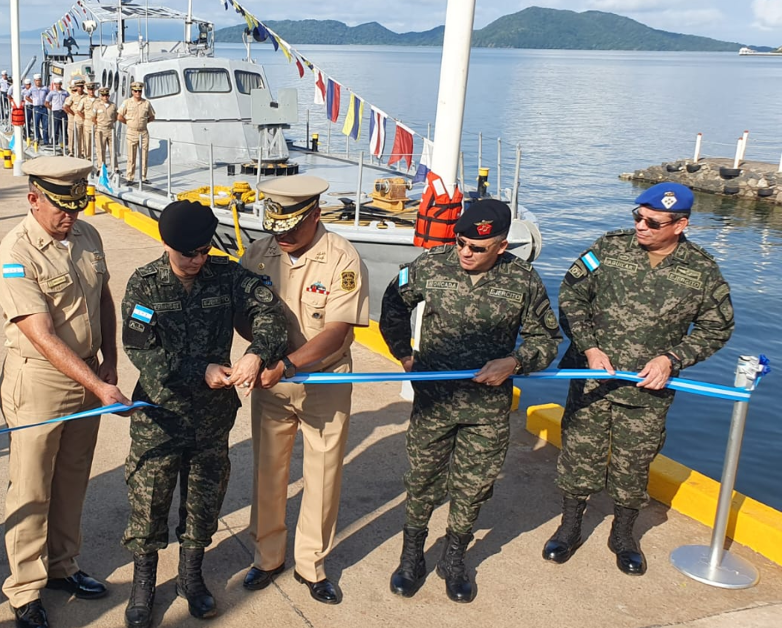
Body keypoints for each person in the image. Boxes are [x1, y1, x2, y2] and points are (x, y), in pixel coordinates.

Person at [545, 182, 734, 575]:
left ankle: (623, 534)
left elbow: (717, 327)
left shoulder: (701, 270)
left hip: (648, 391)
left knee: (634, 465)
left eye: (652, 221)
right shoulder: (610, 248)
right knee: (580, 456)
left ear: (680, 225)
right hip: (593, 379)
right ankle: (569, 527)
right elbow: (571, 294)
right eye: (638, 217)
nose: (641, 226)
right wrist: (590, 347)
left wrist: (672, 358)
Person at [381, 199, 561, 603]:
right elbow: (393, 303)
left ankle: (454, 557)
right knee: (423, 480)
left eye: (477, 248)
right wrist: (404, 352)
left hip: (486, 409)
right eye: (461, 242)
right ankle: (412, 555)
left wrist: (514, 361)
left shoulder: (523, 280)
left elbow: (547, 340)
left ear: (501, 246)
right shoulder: (430, 265)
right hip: (435, 402)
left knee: (473, 486)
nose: (465, 252)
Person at [121, 201, 287, 628]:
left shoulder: (227, 275)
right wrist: (202, 369)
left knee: (203, 499)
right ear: (166, 245)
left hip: (212, 416)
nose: (196, 261)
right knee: (149, 499)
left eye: (202, 252)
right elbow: (143, 350)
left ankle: (191, 578)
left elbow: (269, 313)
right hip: (160, 414)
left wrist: (255, 353)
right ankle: (144, 584)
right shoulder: (145, 285)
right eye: (186, 254)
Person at [0, 156, 130, 628]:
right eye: (60, 208)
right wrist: (100, 385)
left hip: (90, 374)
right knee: (32, 485)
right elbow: (41, 334)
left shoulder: (86, 236)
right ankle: (25, 589)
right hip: (41, 383)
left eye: (78, 205)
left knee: (73, 477)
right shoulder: (16, 252)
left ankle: (62, 566)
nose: (70, 217)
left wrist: (110, 359)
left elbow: (103, 297)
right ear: (33, 199)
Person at [237, 176, 369, 605]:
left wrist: (289, 363)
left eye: (293, 226)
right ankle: (267, 556)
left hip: (324, 382)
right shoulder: (259, 254)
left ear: (315, 214)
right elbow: (240, 313)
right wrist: (260, 353)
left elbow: (337, 332)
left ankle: (312, 564)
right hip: (271, 383)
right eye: (277, 226)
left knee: (323, 474)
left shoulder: (342, 259)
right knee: (268, 471)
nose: (284, 235)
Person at [117, 82, 155, 183]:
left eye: (139, 91)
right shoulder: (127, 102)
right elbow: (119, 116)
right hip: (131, 132)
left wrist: (143, 123)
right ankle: (130, 177)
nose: (138, 93)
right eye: (136, 91)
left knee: (144, 155)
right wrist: (129, 123)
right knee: (131, 156)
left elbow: (152, 116)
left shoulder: (146, 103)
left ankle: (143, 177)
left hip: (143, 132)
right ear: (132, 91)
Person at [94, 87, 117, 173]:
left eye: (106, 95)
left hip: (110, 129)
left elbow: (115, 117)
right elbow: (93, 118)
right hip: (100, 129)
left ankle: (115, 168)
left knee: (113, 149)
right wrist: (100, 125)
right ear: (101, 96)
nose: (105, 97)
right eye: (103, 95)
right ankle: (100, 167)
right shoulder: (97, 106)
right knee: (100, 149)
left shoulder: (113, 105)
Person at [26, 74, 50, 145]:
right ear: (34, 81)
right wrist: (33, 102)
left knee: (45, 124)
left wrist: (47, 102)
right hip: (36, 107)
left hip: (43, 107)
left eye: (39, 80)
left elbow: (49, 95)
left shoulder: (45, 88)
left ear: (41, 80)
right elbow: (27, 97)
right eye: (36, 81)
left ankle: (46, 140)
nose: (38, 82)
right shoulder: (32, 89)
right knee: (36, 124)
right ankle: (37, 138)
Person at [64, 79, 85, 158]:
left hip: (83, 119)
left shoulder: (86, 96)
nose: (80, 88)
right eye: (78, 87)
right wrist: (73, 114)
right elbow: (66, 107)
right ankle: (71, 150)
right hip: (74, 118)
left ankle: (82, 152)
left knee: (83, 136)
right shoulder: (72, 96)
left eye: (81, 87)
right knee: (72, 134)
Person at [47, 77, 68, 150]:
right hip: (56, 111)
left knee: (64, 128)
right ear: (55, 84)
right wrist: (52, 108)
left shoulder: (65, 93)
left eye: (59, 84)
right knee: (56, 128)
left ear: (61, 84)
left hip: (63, 111)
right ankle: (55, 143)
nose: (58, 86)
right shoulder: (52, 93)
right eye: (56, 84)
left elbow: (68, 101)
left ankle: (65, 143)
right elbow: (46, 102)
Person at [79, 82, 98, 161]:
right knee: (87, 142)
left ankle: (100, 159)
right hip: (88, 122)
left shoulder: (98, 100)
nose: (91, 91)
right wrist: (84, 118)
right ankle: (88, 157)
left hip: (97, 123)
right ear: (87, 90)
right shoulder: (84, 100)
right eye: (90, 90)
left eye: (92, 89)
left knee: (98, 142)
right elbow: (78, 111)